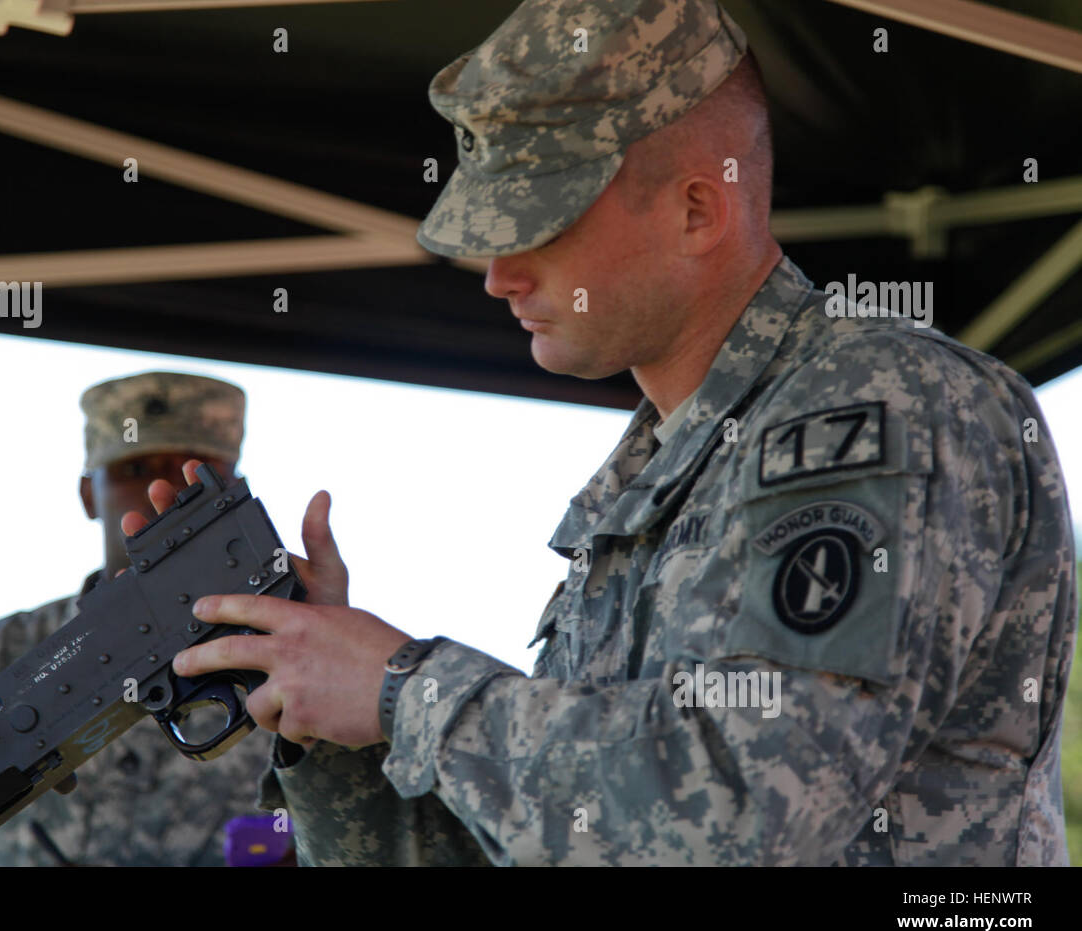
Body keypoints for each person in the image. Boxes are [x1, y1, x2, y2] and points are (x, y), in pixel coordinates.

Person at [142, 0, 1076, 865]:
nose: (498, 275)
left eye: (537, 225)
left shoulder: (881, 405)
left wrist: (403, 687)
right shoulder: (658, 474)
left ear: (697, 209)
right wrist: (326, 706)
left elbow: (750, 813)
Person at [0, 371, 282, 865]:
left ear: (230, 485)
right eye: (133, 468)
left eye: (193, 469)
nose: (162, 488)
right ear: (87, 494)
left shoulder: (289, 658)